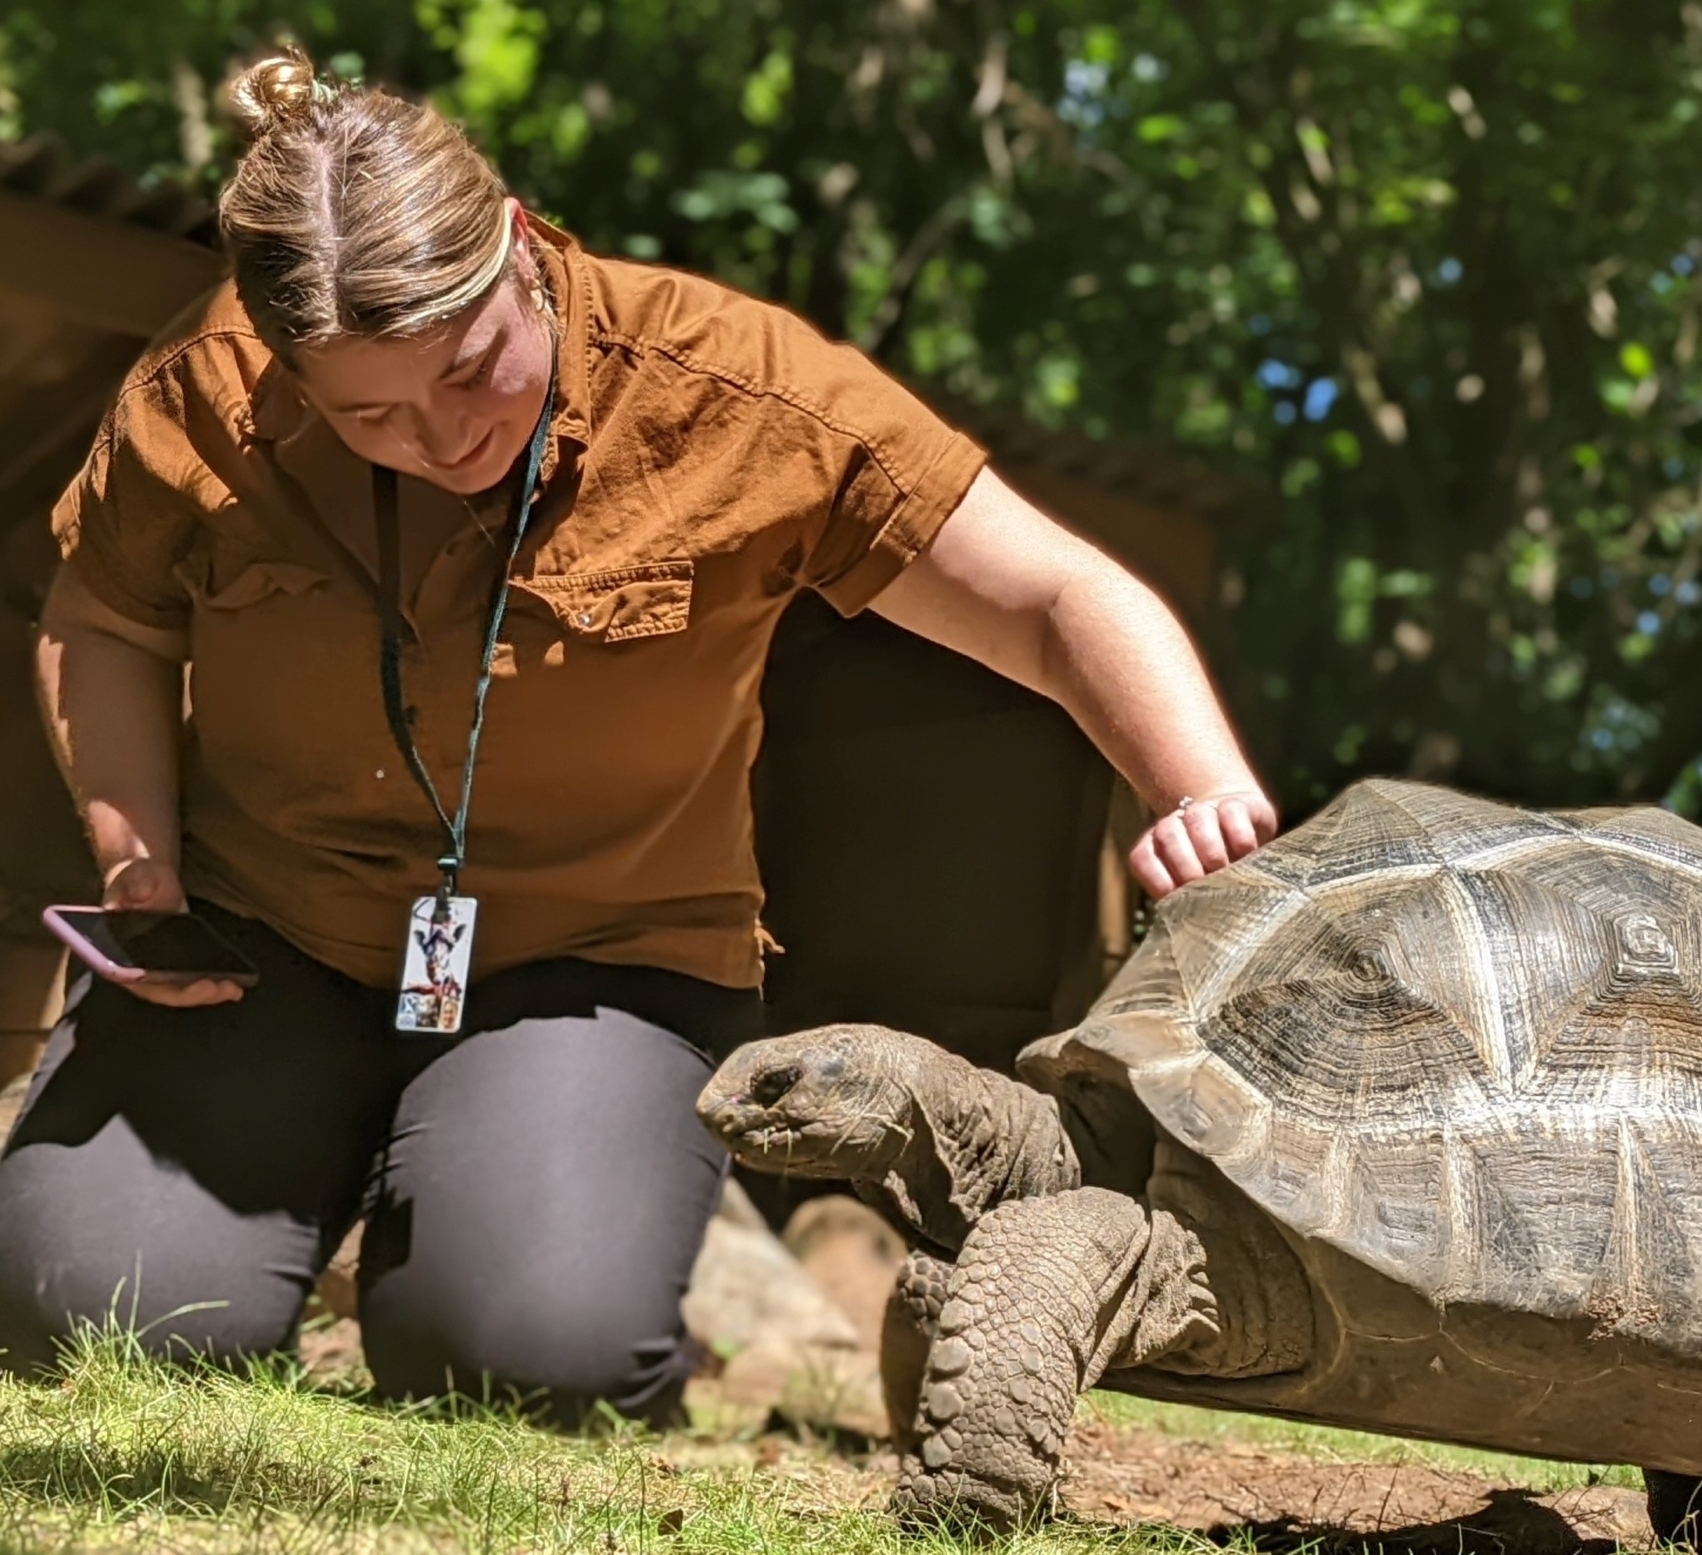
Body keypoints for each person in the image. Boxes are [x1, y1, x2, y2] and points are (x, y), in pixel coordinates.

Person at [0, 48, 1277, 1425]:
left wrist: (1190, 785)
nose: (437, 438)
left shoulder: (739, 395)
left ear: (520, 251)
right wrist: (141, 873)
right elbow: (108, 623)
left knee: (525, 1362)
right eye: (366, 413)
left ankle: (519, 1230)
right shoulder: (206, 389)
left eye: (473, 372)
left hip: (595, 963)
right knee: (81, 1320)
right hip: (265, 935)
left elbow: (1049, 597)